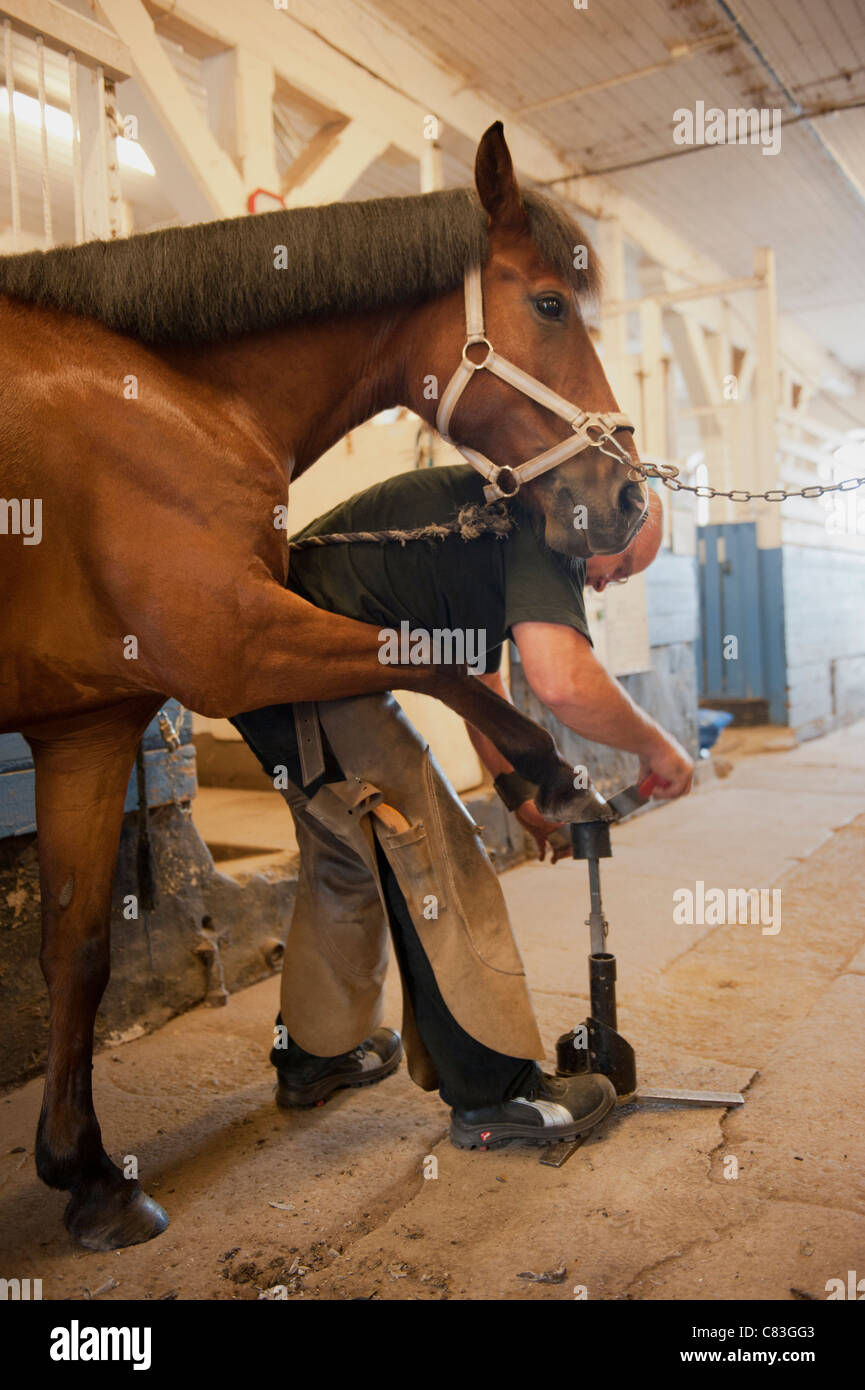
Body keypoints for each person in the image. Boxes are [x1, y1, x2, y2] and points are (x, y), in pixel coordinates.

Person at [229, 463, 693, 1151]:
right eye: (620, 565)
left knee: (348, 863)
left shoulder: (514, 524)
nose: (606, 583)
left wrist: (521, 795)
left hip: (273, 665)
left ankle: (313, 1055)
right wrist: (659, 748)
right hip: (313, 669)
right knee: (436, 859)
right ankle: (495, 1092)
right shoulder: (557, 524)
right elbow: (562, 683)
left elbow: (482, 682)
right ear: (606, 518)